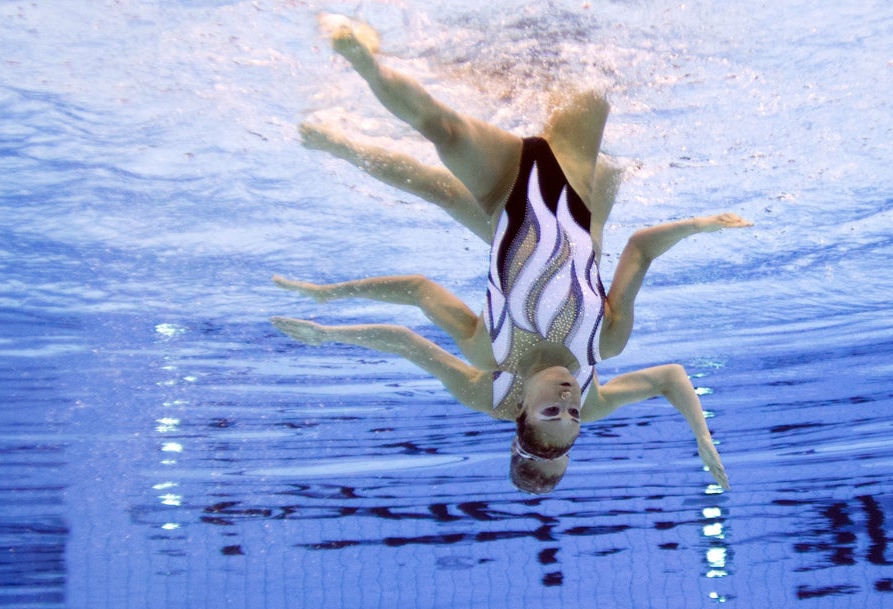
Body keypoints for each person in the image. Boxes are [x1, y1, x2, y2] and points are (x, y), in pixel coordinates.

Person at [273, 14, 749, 493]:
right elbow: (667, 366)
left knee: (447, 136)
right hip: (579, 192)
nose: (567, 399)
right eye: (574, 414)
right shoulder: (601, 353)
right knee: (588, 64)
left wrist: (328, 311)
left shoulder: (488, 367)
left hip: (505, 199)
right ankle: (371, 127)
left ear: (520, 407)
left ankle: (361, 67)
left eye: (550, 412)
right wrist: (703, 436)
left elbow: (413, 314)